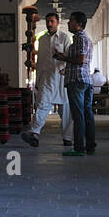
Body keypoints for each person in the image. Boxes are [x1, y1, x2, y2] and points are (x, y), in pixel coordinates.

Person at [21, 12, 72, 148]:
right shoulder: (42, 39)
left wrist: (67, 69)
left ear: (57, 23)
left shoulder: (64, 38)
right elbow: (40, 61)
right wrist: (37, 81)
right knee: (42, 105)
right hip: (46, 78)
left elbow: (69, 56)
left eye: (52, 21)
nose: (49, 24)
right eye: (48, 21)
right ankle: (34, 133)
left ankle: (67, 137)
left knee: (65, 109)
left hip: (61, 78)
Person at [54, 11, 96, 156]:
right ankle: (90, 146)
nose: (68, 23)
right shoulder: (86, 40)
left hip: (77, 81)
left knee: (78, 116)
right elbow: (80, 60)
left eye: (71, 20)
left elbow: (80, 60)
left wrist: (65, 59)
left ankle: (78, 147)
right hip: (85, 80)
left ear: (79, 24)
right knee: (87, 114)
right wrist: (63, 57)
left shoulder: (79, 39)